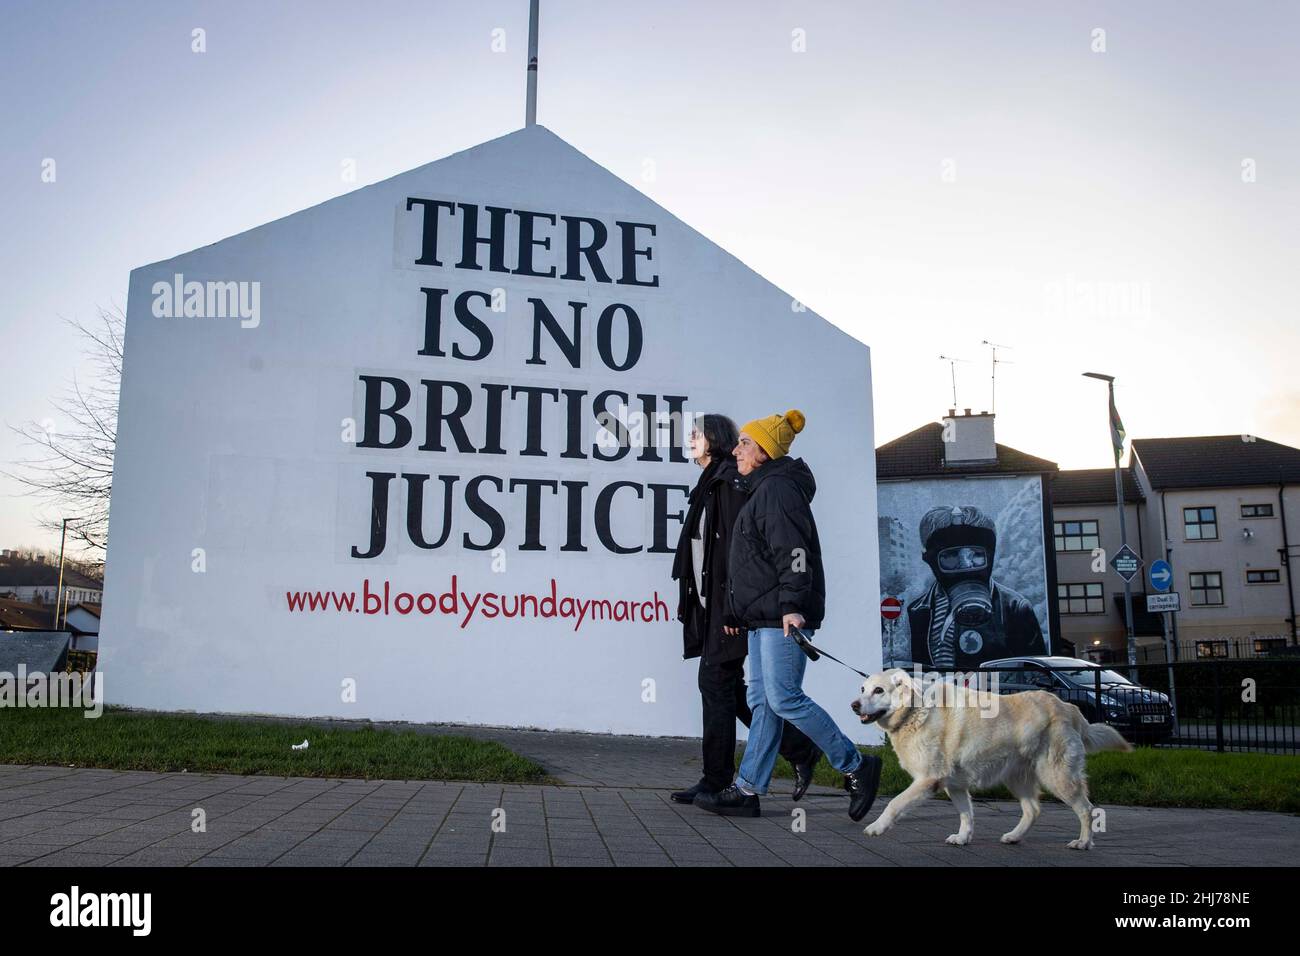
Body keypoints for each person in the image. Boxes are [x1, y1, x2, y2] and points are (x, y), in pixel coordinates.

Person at [693, 409, 882, 820]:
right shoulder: (763, 488)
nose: (737, 449)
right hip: (764, 617)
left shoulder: (777, 489)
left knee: (783, 697)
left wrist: (793, 606)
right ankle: (747, 789)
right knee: (763, 701)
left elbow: (793, 551)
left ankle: (855, 765)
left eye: (745, 442)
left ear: (764, 451)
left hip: (783, 614)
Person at [670, 414, 822, 806]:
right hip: (718, 608)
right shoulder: (711, 482)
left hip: (733, 610)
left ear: (715, 439)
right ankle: (797, 751)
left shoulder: (730, 481)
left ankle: (718, 780)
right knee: (735, 692)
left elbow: (743, 555)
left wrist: (734, 611)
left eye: (697, 434)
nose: (690, 438)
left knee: (721, 685)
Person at [906, 505, 1046, 668]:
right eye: (951, 556)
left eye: (976, 555)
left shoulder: (1014, 608)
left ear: (990, 555)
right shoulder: (917, 611)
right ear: (930, 560)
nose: (966, 566)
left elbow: (1035, 673)